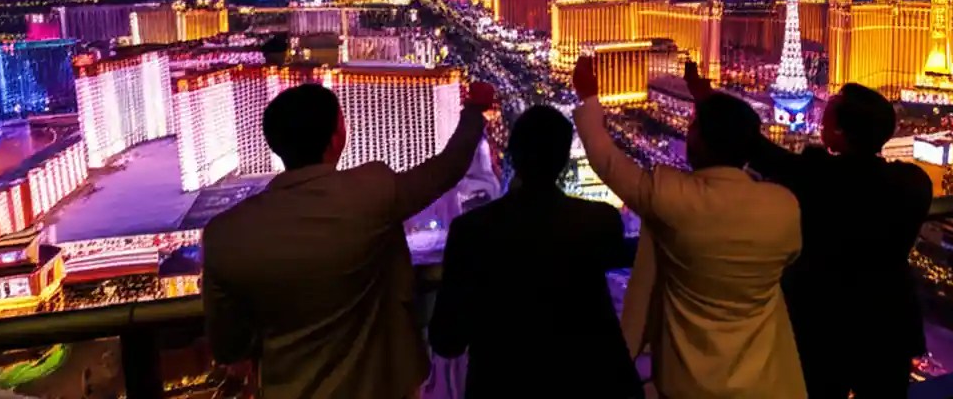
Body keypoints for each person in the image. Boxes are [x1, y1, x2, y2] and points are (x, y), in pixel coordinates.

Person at [202, 80, 496, 399]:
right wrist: (473, 110)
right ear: (337, 138)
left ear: (274, 143)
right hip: (382, 387)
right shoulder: (372, 191)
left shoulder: (225, 236)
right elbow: (446, 169)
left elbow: (229, 346)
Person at [691, 63, 932, 399]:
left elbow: (756, 149)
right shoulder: (912, 182)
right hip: (888, 320)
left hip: (825, 322)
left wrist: (707, 101)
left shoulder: (818, 177)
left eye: (828, 115)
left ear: (841, 133)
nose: (820, 118)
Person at [572, 56, 805, 399]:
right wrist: (706, 100)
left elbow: (606, 158)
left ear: (700, 143)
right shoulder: (784, 208)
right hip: (767, 380)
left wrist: (589, 97)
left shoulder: (669, 196)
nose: (688, 132)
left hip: (688, 381)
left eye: (694, 128)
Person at [429, 104, 642, 399]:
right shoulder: (598, 221)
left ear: (512, 155)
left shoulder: (472, 231)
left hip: (502, 384)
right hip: (587, 383)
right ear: (565, 159)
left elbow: (447, 339)